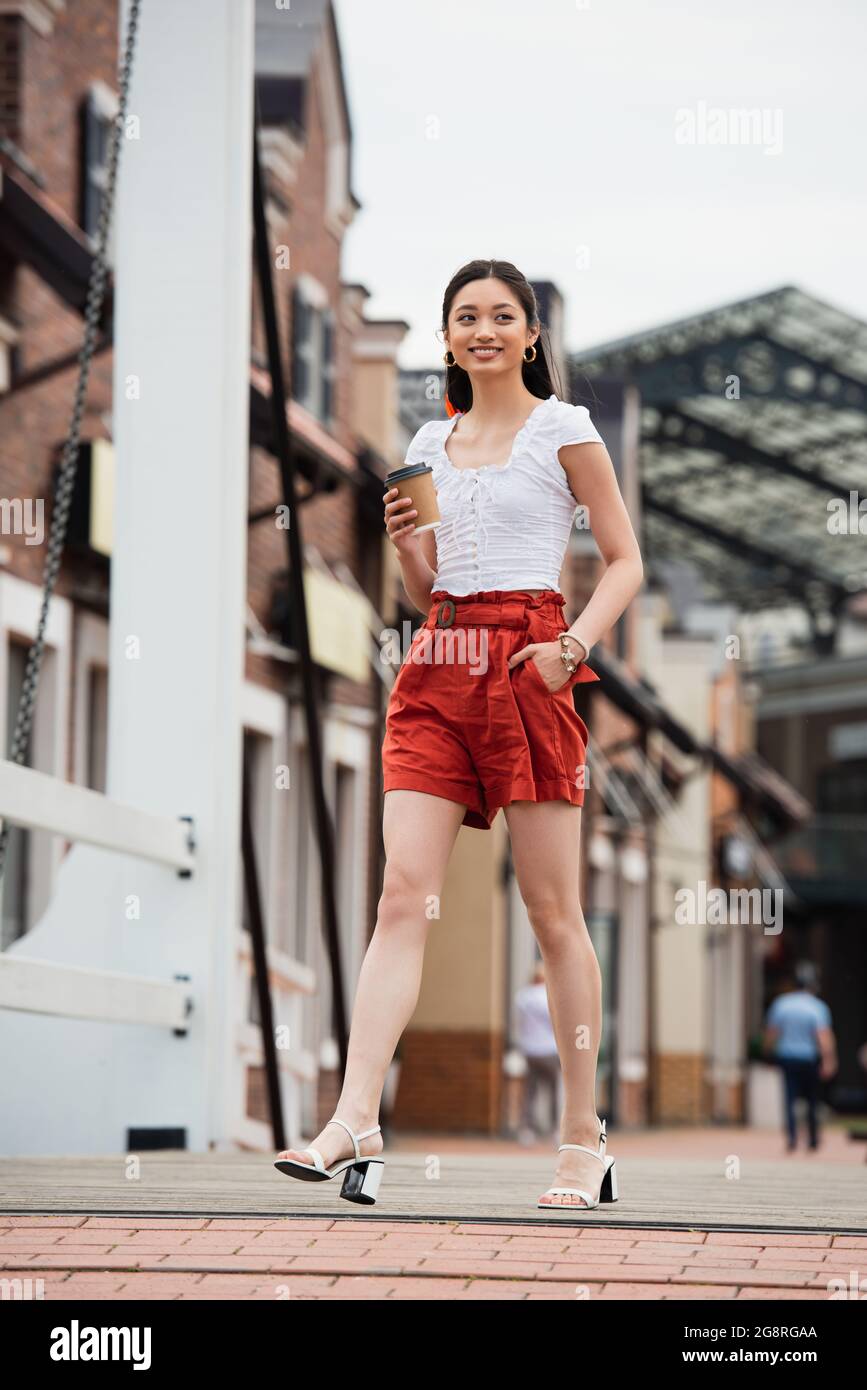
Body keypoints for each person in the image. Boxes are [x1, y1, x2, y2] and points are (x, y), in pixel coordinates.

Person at [274, 257, 643, 1210]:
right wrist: (404, 546)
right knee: (403, 895)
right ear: (446, 337)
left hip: (529, 656)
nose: (482, 329)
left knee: (553, 915)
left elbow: (623, 560)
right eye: (465, 316)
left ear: (529, 335)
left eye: (501, 315)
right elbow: (423, 586)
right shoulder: (426, 439)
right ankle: (355, 1115)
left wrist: (572, 645)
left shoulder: (564, 429)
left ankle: (579, 1137)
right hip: (438, 660)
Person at [763, 963, 837, 1152]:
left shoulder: (782, 1004)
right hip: (809, 1058)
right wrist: (829, 1060)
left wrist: (767, 1053)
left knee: (789, 1098)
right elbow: (823, 1037)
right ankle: (812, 1138)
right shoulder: (817, 1007)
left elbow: (772, 1033)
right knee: (812, 1099)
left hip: (787, 1057)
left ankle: (792, 1137)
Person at [515, 961, 561, 1143]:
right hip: (549, 1049)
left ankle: (527, 1130)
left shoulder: (522, 997)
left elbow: (518, 1024)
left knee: (530, 1092)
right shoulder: (550, 996)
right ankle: (555, 1129)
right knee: (553, 1091)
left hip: (530, 1050)